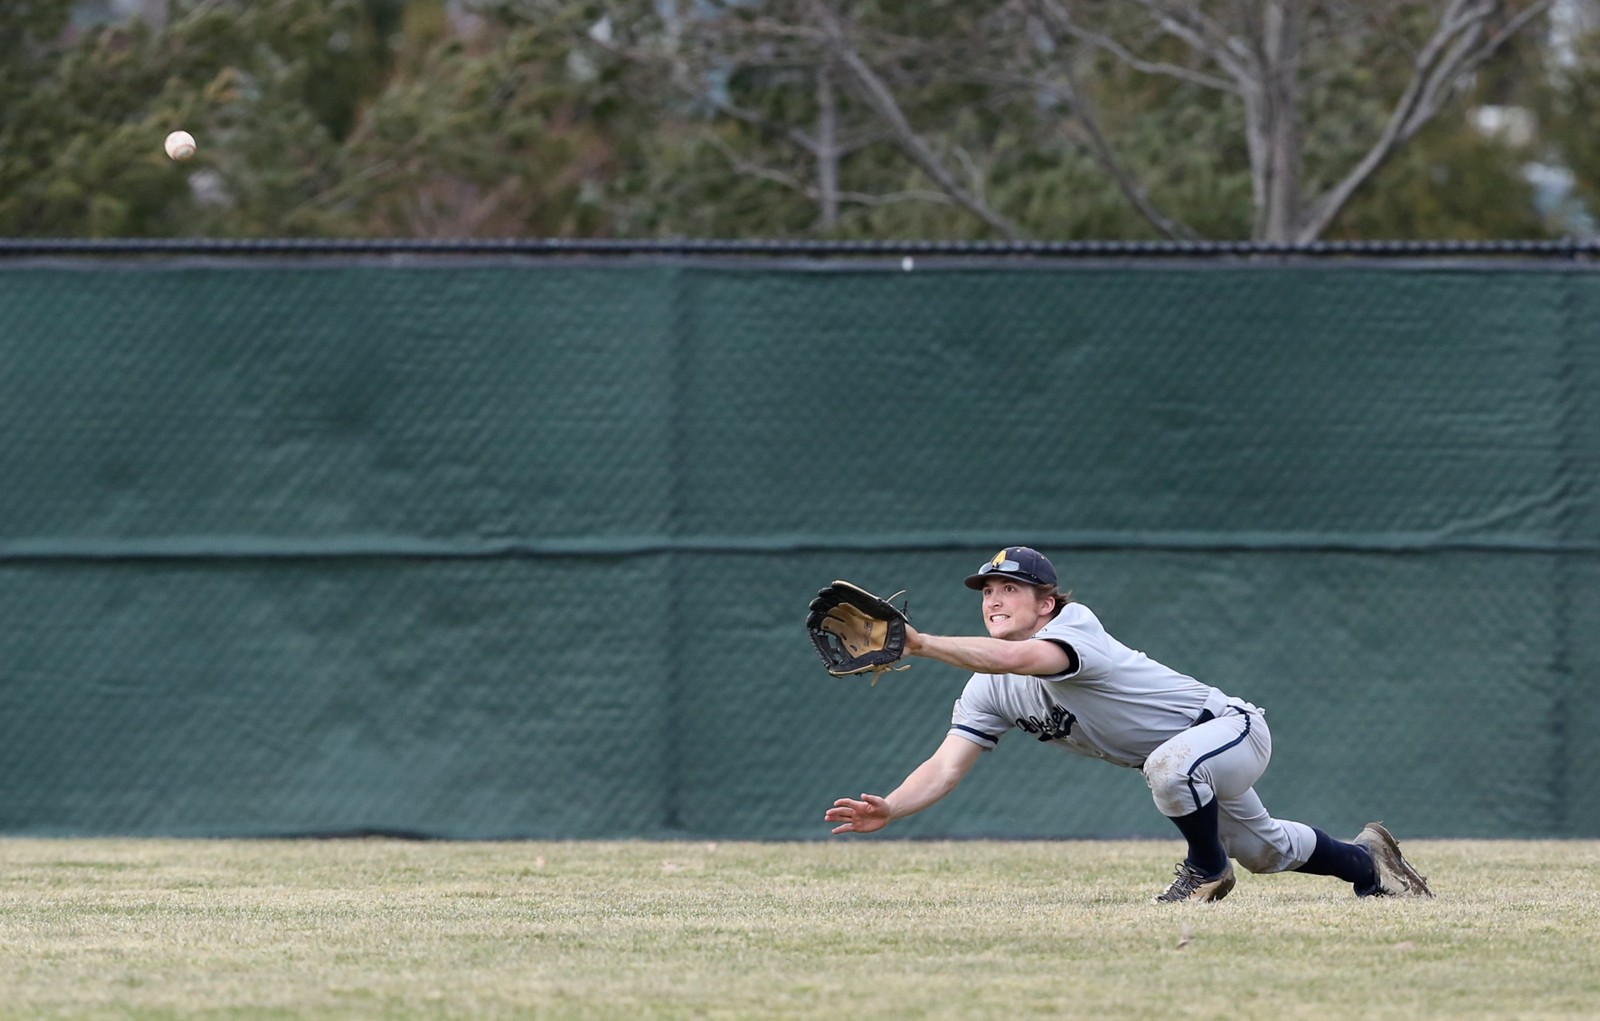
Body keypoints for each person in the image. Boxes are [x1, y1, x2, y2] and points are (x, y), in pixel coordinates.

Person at [823, 546, 1434, 903]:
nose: (994, 599)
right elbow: (946, 764)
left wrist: (922, 643)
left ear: (1048, 604)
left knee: (1169, 769)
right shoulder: (987, 686)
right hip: (1190, 764)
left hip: (1228, 730)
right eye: (987, 590)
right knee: (1266, 851)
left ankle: (1205, 868)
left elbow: (1023, 657)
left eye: (1012, 588)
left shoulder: (1074, 628)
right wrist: (893, 808)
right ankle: (1370, 867)